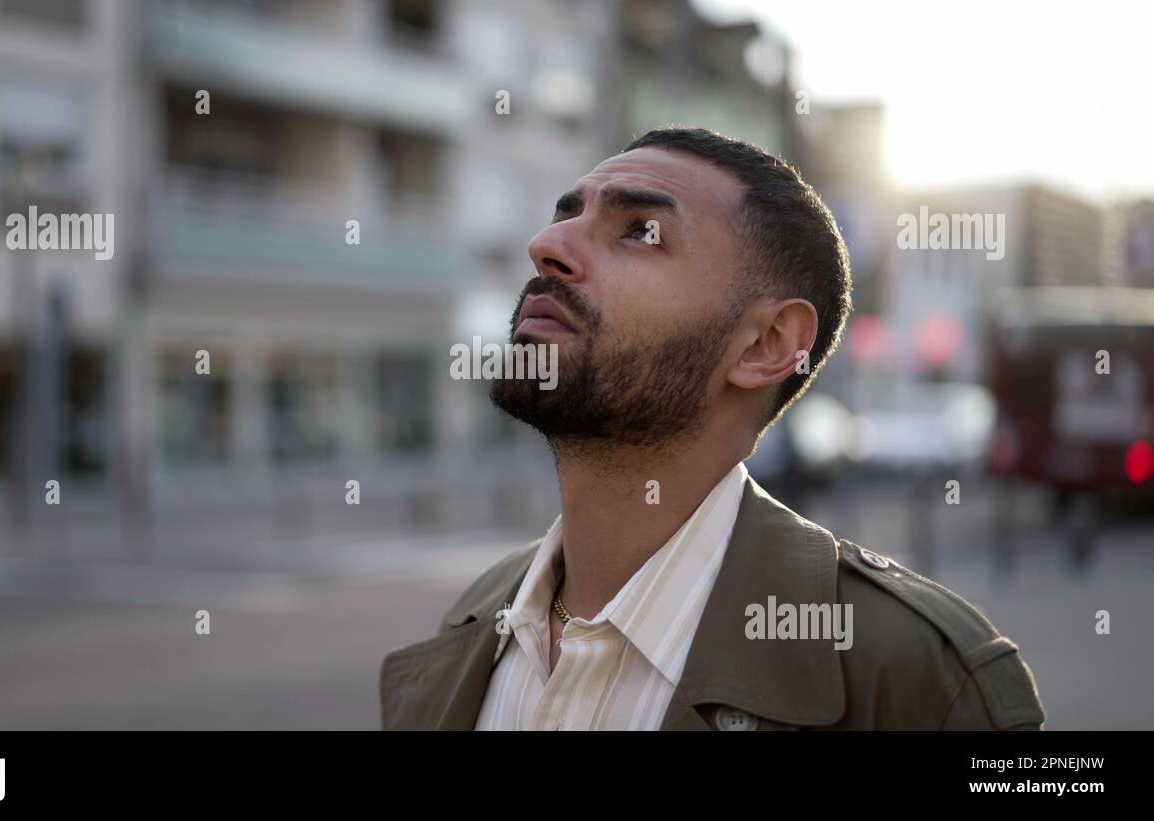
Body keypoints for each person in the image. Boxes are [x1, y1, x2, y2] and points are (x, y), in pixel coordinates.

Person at [379, 128, 1045, 731]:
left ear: (766, 343)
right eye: (567, 215)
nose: (547, 245)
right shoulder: (475, 623)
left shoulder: (919, 680)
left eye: (639, 230)